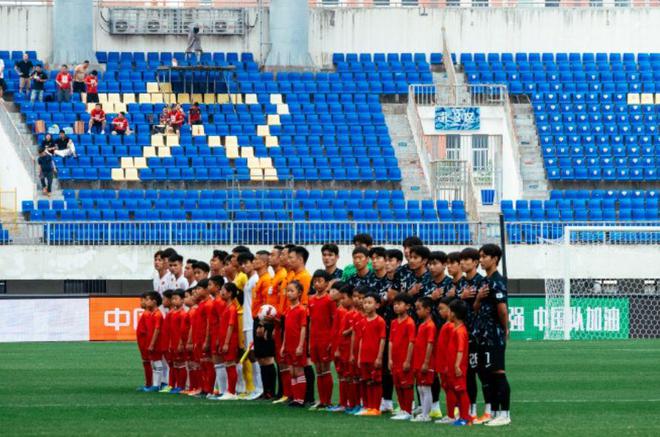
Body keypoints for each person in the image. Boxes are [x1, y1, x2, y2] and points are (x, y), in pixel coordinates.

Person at [476, 244, 511, 427]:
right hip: (484, 335)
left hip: (494, 335)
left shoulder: (497, 281)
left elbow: (502, 310)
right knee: (488, 374)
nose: (481, 260)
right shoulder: (485, 281)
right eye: (480, 256)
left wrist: (505, 330)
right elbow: (477, 308)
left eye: (484, 256)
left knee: (498, 373)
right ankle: (496, 412)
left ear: (495, 258)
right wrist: (478, 298)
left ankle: (505, 414)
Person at [457, 247, 486, 421]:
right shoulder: (461, 283)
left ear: (475, 262)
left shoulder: (481, 282)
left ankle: (489, 408)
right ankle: (471, 408)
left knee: (481, 372)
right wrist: (461, 296)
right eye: (462, 259)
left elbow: (481, 309)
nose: (463, 262)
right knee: (466, 373)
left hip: (478, 334)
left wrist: (475, 299)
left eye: (467, 259)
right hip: (463, 334)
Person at [308, 270, 337, 410]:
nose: (317, 284)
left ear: (327, 283)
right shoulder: (311, 299)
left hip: (325, 338)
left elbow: (334, 320)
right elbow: (311, 321)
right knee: (318, 369)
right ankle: (321, 399)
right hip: (314, 338)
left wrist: (332, 340)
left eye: (320, 281)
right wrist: (309, 340)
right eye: (315, 281)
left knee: (325, 369)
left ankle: (328, 400)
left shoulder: (329, 300)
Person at [238, 251, 264, 400]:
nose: (244, 266)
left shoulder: (255, 280)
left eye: (247, 262)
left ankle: (259, 388)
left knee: (255, 355)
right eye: (242, 264)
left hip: (252, 321)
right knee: (252, 356)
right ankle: (256, 387)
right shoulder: (248, 280)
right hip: (247, 321)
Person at [356, 293, 386, 416]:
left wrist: (379, 357)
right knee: (366, 381)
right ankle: (368, 406)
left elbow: (382, 339)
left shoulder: (380, 321)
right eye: (365, 302)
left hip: (374, 357)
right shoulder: (362, 321)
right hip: (364, 357)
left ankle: (376, 407)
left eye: (369, 302)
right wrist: (359, 357)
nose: (366, 305)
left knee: (376, 382)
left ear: (377, 305)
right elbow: (361, 340)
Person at [280, 281, 308, 408]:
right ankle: (295, 397)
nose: (289, 293)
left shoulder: (302, 309)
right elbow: (286, 329)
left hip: (297, 344)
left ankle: (300, 399)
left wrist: (301, 345)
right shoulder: (287, 310)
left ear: (299, 293)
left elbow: (303, 328)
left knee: (298, 370)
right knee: (291, 371)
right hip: (289, 345)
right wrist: (283, 345)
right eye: (288, 291)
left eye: (292, 291)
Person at [389, 293, 416, 421]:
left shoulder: (410, 323)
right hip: (395, 359)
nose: (396, 307)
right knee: (398, 385)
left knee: (407, 385)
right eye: (395, 304)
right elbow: (391, 342)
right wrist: (389, 358)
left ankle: (409, 410)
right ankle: (402, 408)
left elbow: (411, 342)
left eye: (399, 304)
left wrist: (407, 360)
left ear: (408, 306)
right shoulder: (394, 322)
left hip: (404, 359)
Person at [411, 297, 437, 422]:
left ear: (428, 309)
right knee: (421, 387)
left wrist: (426, 362)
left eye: (419, 309)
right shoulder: (422, 325)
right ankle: (423, 412)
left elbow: (430, 344)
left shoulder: (430, 326)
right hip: (418, 361)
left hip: (426, 362)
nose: (417, 311)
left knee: (426, 387)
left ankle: (426, 415)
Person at [446, 299, 471, 426]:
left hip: (458, 367)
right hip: (452, 366)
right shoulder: (455, 329)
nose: (447, 314)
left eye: (449, 311)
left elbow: (461, 349)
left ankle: (465, 418)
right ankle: (462, 416)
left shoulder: (461, 331)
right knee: (456, 391)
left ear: (454, 314)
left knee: (461, 391)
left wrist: (456, 365)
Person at [435, 296, 457, 424]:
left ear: (450, 310)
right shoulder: (446, 325)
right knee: (447, 388)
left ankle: (452, 414)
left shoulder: (451, 326)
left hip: (447, 363)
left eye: (441, 309)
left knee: (451, 388)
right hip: (442, 362)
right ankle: (451, 414)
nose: (439, 311)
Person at [217, 283, 240, 400]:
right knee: (227, 365)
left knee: (230, 364)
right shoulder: (226, 307)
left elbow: (231, 326)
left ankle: (232, 391)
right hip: (224, 339)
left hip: (230, 341)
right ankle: (229, 390)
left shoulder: (232, 308)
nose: (221, 292)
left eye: (223, 290)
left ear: (230, 293)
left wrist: (226, 343)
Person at [207, 275, 226, 399]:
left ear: (218, 287)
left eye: (210, 285)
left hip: (218, 335)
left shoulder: (219, 301)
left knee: (220, 363)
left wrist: (219, 338)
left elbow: (221, 321)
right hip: (215, 334)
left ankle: (222, 391)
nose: (208, 287)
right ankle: (218, 389)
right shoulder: (216, 301)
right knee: (217, 363)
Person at [144, 291, 166, 392]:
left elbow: (157, 329)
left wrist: (152, 343)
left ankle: (157, 384)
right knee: (154, 362)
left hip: (157, 343)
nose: (146, 302)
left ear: (154, 302)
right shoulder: (152, 314)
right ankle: (156, 384)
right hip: (152, 342)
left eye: (148, 300)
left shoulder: (157, 314)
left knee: (157, 362)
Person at [168, 289, 188, 394]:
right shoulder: (172, 313)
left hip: (179, 342)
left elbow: (182, 330)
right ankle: (175, 385)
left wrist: (181, 343)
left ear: (182, 300)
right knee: (175, 364)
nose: (174, 301)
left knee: (181, 364)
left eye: (176, 298)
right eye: (172, 299)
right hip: (173, 341)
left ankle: (181, 385)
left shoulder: (183, 314)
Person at [136, 293, 153, 391]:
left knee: (148, 363)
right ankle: (148, 383)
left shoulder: (147, 314)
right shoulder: (146, 313)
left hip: (145, 342)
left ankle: (149, 383)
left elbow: (148, 330)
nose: (141, 303)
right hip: (143, 342)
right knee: (146, 363)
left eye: (143, 300)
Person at [158, 290, 174, 392]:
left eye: (164, 299)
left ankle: (171, 383)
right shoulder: (169, 313)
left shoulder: (173, 313)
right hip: (167, 342)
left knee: (171, 364)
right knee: (169, 363)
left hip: (172, 342)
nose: (162, 301)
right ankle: (168, 383)